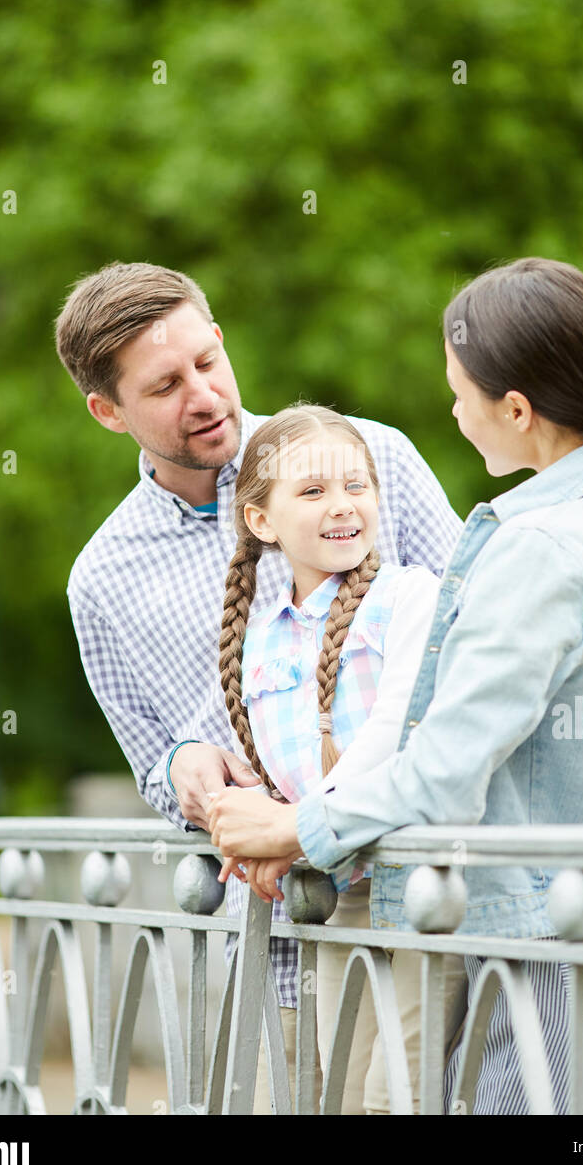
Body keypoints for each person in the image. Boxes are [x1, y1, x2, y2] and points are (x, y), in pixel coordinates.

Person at [207, 256, 583, 1115]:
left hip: (561, 978)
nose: (451, 410)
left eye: (459, 391)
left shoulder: (537, 548)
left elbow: (443, 771)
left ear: (515, 410)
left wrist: (296, 826)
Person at [54, 260, 462, 1111]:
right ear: (106, 411)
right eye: (164, 385)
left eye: (207, 361)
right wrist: (182, 772)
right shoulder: (101, 580)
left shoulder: (368, 458)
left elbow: (481, 645)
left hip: (431, 896)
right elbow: (150, 760)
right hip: (282, 939)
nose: (203, 395)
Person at [215, 403, 467, 1114]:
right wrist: (273, 840)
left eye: (357, 486)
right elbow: (267, 770)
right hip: (333, 901)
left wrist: (292, 828)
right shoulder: (259, 641)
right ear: (262, 521)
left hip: (420, 896)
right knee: (340, 1098)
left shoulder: (411, 597)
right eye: (313, 491)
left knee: (398, 1097)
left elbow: (395, 732)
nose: (343, 506)